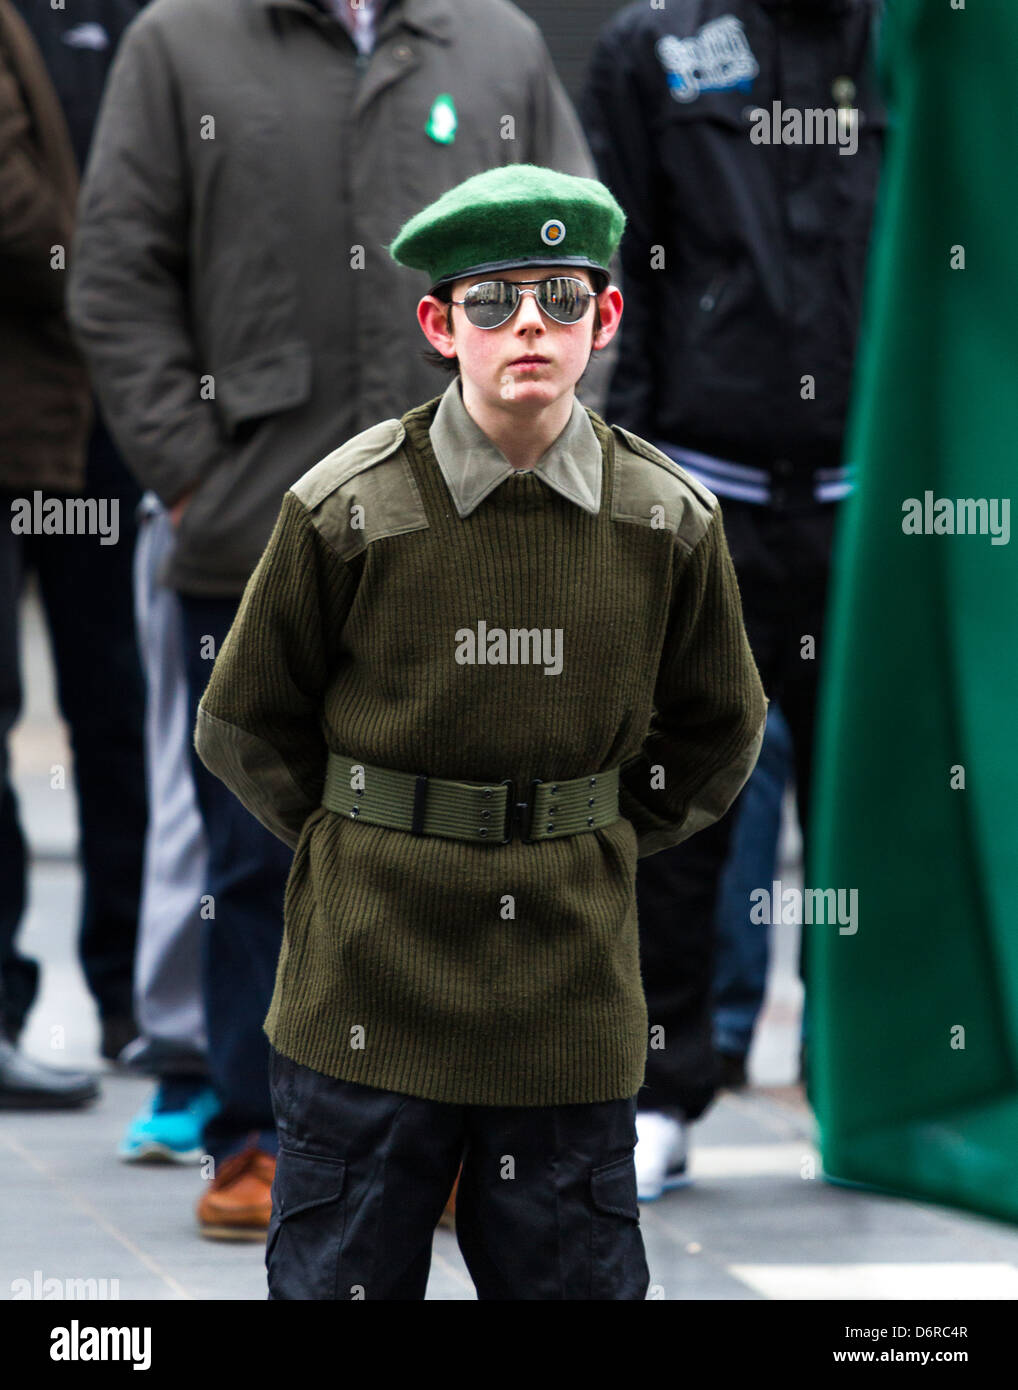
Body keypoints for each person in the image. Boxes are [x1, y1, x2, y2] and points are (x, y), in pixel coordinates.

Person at [68, 0, 611, 1238]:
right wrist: (189, 467)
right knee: (264, 841)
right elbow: (115, 271)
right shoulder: (180, 40)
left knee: (465, 834)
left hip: (472, 521)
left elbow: (580, 256)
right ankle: (258, 1132)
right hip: (251, 517)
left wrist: (541, 447)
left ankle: (459, 1138)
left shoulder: (497, 40)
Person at [192, 163, 767, 1300]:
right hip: (366, 984)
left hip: (566, 996)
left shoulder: (663, 520)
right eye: (493, 301)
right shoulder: (348, 507)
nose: (528, 328)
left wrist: (579, 833)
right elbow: (248, 719)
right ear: (438, 324)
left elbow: (717, 730)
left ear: (606, 319)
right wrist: (370, 833)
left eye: (560, 297)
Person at [581, 0, 884, 1197]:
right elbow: (625, 276)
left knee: (879, 809)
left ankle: (862, 1090)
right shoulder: (653, 45)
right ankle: (662, 1090)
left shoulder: (911, 40)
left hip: (874, 504)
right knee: (681, 806)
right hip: (707, 488)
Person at [0, 0, 132, 1107]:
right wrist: (126, 293)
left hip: (113, 425)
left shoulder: (142, 20)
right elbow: (15, 211)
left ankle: (136, 996)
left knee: (124, 709)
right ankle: (5, 1005)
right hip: (20, 424)